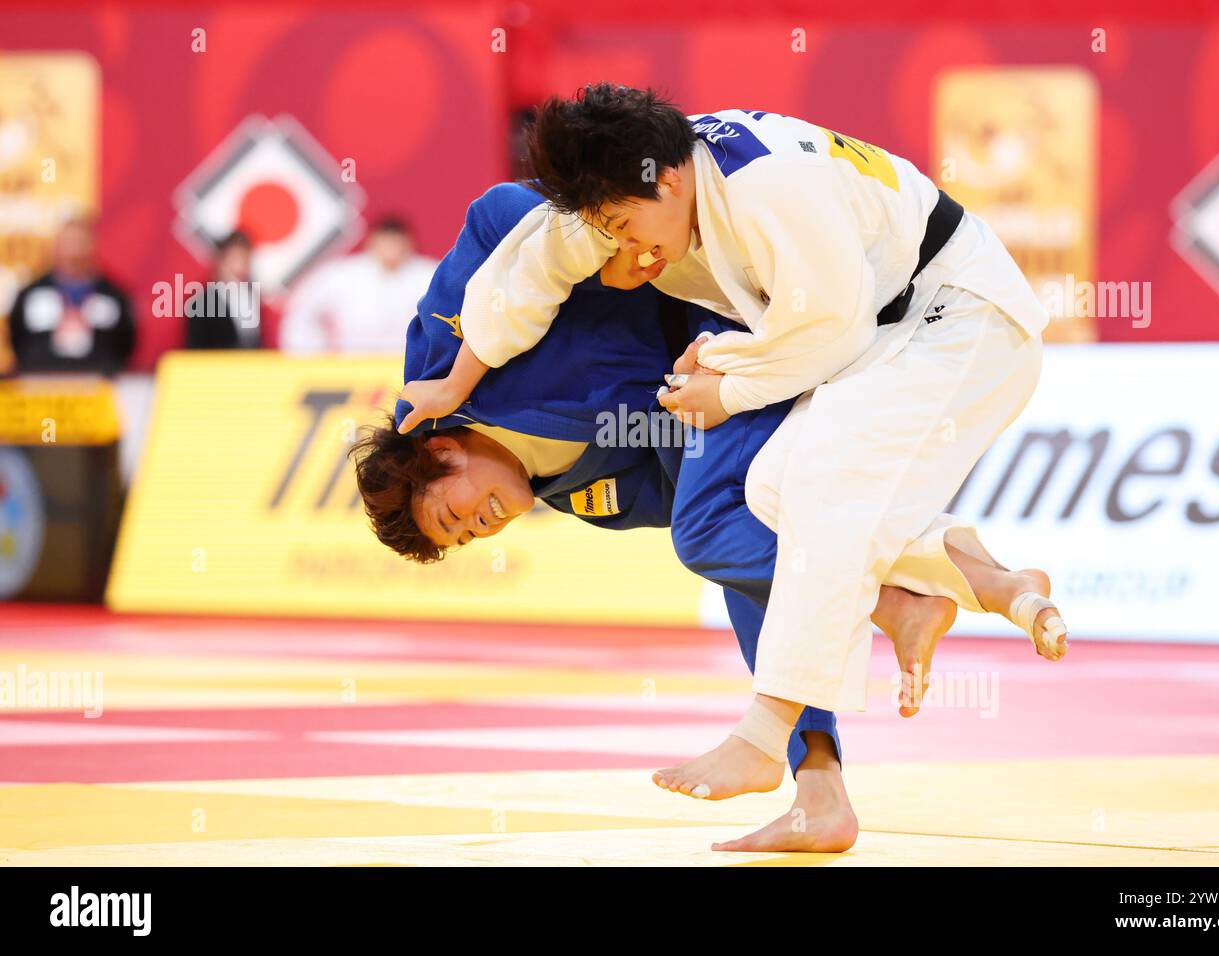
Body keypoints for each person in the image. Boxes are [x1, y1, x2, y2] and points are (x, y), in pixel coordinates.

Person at [353, 181, 1065, 851]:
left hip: (727, 288)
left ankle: (913, 599)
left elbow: (500, 211)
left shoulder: (440, 368)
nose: (481, 529)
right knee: (732, 544)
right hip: (725, 378)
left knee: (708, 528)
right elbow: (750, 529)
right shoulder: (583, 496)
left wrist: (612, 242)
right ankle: (820, 786)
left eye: (455, 515)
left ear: (439, 452)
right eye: (468, 539)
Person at [510, 83, 1066, 801]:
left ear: (667, 178)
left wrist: (729, 386)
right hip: (891, 329)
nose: (627, 245)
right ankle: (971, 583)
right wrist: (721, 364)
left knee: (816, 486)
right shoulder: (694, 184)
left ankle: (763, 737)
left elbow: (832, 332)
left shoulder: (763, 186)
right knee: (768, 492)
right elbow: (807, 327)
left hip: (962, 316)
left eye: (624, 221)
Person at [279, 216, 437, 354]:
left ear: (409, 243)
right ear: (372, 241)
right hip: (350, 369)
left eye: (396, 241)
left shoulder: (429, 275)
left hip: (412, 369)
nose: (391, 248)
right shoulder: (342, 274)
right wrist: (313, 357)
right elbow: (302, 312)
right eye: (386, 240)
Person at [7, 218, 135, 375]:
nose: (74, 249)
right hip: (39, 385)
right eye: (68, 241)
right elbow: (17, 337)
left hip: (98, 385)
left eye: (80, 241)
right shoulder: (31, 293)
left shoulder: (114, 295)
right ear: (56, 246)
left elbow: (125, 342)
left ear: (93, 245)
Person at [184, 231, 261, 349]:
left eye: (245, 260)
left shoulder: (253, 298)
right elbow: (197, 352)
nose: (239, 267)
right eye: (235, 259)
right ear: (221, 261)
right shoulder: (201, 302)